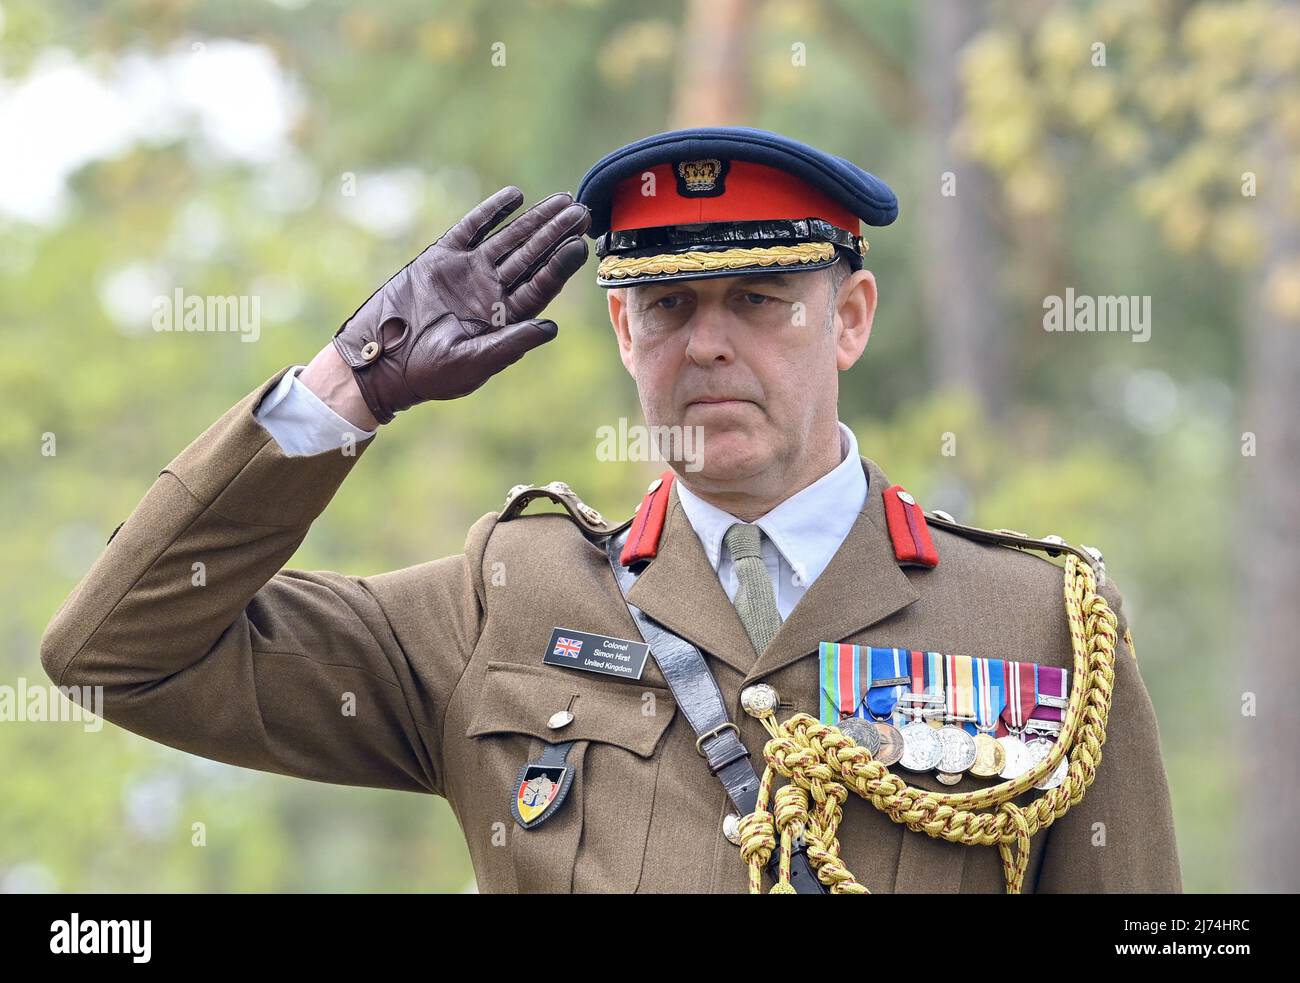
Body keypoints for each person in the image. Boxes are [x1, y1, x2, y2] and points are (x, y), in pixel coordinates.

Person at [40, 126, 1181, 893]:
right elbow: (115, 652)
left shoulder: (1036, 618)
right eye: (669, 305)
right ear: (623, 331)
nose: (711, 342)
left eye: (759, 298)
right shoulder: (508, 598)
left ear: (848, 319)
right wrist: (352, 382)